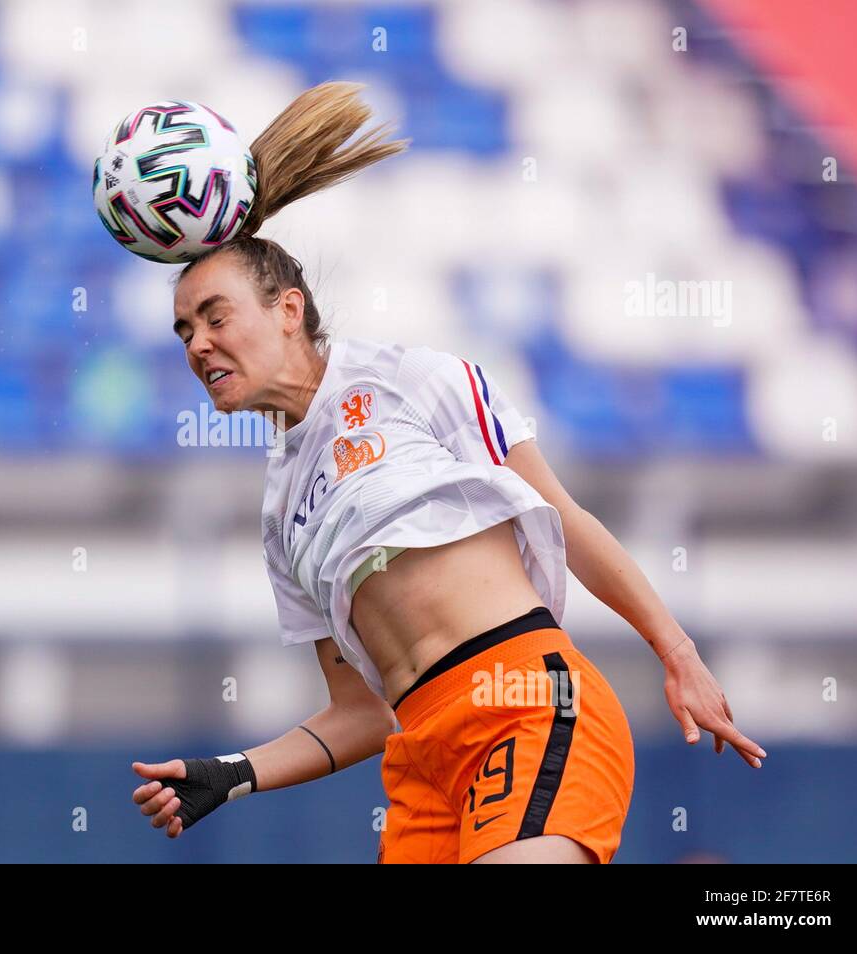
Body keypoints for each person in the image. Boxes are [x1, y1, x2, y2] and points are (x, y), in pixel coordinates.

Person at [130, 81, 765, 863]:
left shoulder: (414, 381)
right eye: (184, 329)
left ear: (289, 309)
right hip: (423, 760)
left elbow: (564, 518)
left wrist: (680, 654)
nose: (197, 344)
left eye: (216, 317)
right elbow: (361, 713)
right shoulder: (280, 513)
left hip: (528, 704)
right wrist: (231, 773)